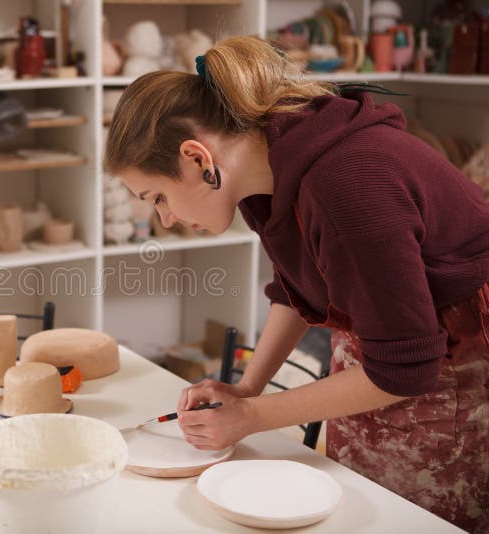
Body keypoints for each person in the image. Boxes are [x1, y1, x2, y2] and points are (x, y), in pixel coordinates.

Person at [104, 35, 489, 533]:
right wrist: (245, 389)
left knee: (411, 518)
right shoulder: (263, 171)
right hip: (383, 349)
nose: (166, 219)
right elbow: (296, 287)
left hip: (452, 363)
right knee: (354, 501)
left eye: (157, 197)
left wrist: (252, 417)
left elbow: (405, 368)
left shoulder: (345, 184)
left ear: (199, 159)